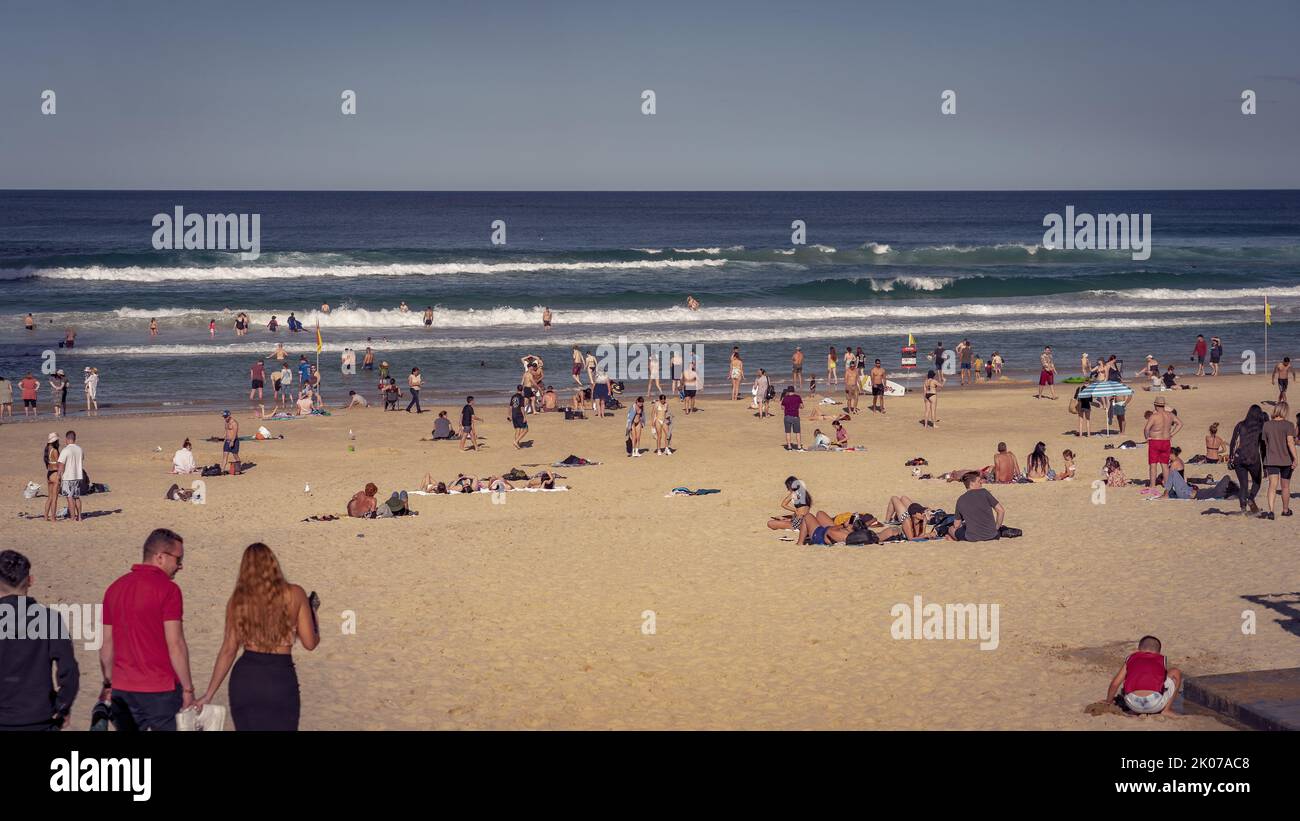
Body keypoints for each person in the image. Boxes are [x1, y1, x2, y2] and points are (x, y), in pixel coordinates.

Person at [193, 543, 320, 731]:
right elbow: (310, 643)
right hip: (279, 677)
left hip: (246, 678)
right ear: (273, 564)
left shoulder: (238, 600)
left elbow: (228, 650)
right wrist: (313, 613)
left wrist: (209, 694)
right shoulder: (295, 593)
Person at [100, 528, 196, 731]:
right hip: (160, 689)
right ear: (160, 557)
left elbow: (107, 646)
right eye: (179, 559)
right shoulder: (169, 590)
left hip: (122, 689)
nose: (180, 566)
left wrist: (108, 684)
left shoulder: (114, 588)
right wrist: (188, 689)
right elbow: (176, 644)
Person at [0, 550, 80, 730]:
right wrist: (62, 706)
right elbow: (69, 671)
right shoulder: (49, 619)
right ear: (30, 580)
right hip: (39, 718)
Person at [1106, 635, 1182, 716]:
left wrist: (1108, 702)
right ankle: (1166, 710)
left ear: (1138, 649)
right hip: (1155, 704)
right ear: (1159, 652)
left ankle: (1136, 711)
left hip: (1132, 704)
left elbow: (1115, 684)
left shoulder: (1131, 658)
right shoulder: (1161, 659)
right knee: (1175, 672)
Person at [1259, 402, 1296, 519]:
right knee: (1285, 486)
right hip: (1286, 460)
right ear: (1285, 411)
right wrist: (1295, 458)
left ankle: (1271, 511)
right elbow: (1290, 442)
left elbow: (1264, 444)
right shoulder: (1289, 425)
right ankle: (1285, 510)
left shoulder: (1267, 425)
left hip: (1271, 460)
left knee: (1272, 486)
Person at [1229, 404, 1267, 514]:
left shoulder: (1241, 425)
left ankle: (1243, 508)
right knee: (1257, 481)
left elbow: (1233, 442)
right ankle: (1251, 499)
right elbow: (1263, 448)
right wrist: (1264, 465)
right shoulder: (1261, 428)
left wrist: (1231, 457)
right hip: (1253, 458)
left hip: (1239, 457)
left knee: (1243, 484)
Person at [947, 472, 1005, 541]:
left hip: (972, 538)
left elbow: (956, 525)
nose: (981, 484)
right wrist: (996, 528)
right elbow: (1001, 510)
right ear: (971, 484)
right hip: (993, 536)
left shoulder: (960, 500)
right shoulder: (985, 492)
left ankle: (953, 539)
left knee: (951, 529)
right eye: (979, 482)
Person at [1144, 396, 1182, 487]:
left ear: (1155, 405)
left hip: (1155, 441)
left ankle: (1152, 485)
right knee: (1164, 465)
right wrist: (1172, 433)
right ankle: (1167, 485)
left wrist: (1147, 437)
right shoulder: (1170, 415)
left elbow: (1146, 429)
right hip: (1166, 441)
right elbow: (1180, 424)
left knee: (1153, 465)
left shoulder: (1154, 416)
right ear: (1164, 405)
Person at [56, 430, 84, 522]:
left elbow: (61, 465)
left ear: (67, 439)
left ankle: (72, 517)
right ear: (74, 439)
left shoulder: (66, 450)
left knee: (69, 497)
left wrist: (59, 476)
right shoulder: (80, 449)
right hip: (78, 476)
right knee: (77, 497)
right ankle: (79, 517)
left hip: (68, 477)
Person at [43, 433, 60, 522]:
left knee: (49, 497)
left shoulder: (47, 449)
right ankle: (53, 517)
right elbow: (58, 463)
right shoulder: (55, 450)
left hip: (49, 474)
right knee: (54, 498)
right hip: (55, 474)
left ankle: (46, 517)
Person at [781, 386, 804, 450]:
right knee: (798, 432)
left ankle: (789, 446)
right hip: (795, 416)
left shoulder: (785, 398)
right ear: (794, 391)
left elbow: (782, 407)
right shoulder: (798, 397)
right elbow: (802, 406)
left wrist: (787, 407)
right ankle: (799, 446)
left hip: (787, 416)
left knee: (788, 432)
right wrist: (797, 406)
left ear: (788, 391)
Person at [221, 410, 242, 475]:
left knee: (235, 455)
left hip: (234, 441)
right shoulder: (226, 422)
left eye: (226, 417)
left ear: (229, 416)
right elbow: (226, 431)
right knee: (225, 456)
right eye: (224, 417)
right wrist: (224, 437)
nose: (225, 418)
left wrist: (232, 441)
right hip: (227, 441)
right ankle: (222, 470)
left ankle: (238, 468)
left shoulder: (234, 423)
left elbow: (235, 433)